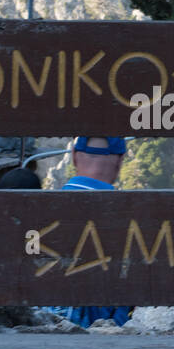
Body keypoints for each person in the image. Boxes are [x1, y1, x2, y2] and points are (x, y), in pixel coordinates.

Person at [53, 137, 132, 327]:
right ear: (121, 160)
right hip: (103, 338)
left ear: (73, 156)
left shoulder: (33, 209)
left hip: (43, 327)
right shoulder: (132, 218)